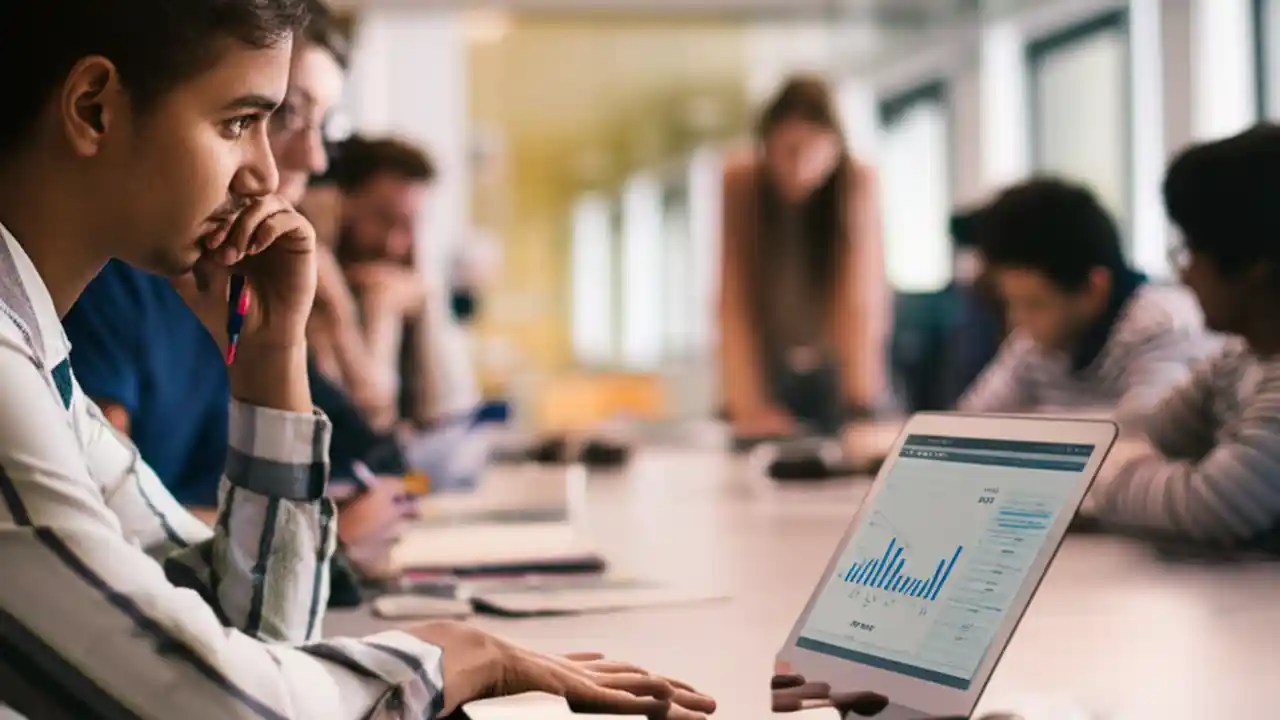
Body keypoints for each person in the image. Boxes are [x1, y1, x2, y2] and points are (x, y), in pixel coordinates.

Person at [0, 2, 715, 718]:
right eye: (239, 123)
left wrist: (271, 357)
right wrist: (453, 656)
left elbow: (254, 635)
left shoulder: (36, 357)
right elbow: (219, 707)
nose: (266, 175)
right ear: (93, 109)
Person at [61, 0, 406, 567]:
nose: (298, 160)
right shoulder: (106, 286)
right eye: (248, 119)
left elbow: (377, 451)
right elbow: (109, 528)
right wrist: (316, 539)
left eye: (323, 126)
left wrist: (306, 332)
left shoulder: (227, 281)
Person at [1085, 125, 1280, 545]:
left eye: (1190, 251)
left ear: (1252, 265)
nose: (1184, 273)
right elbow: (1149, 430)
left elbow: (1212, 504)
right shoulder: (1240, 359)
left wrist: (1086, 483)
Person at [957, 178, 1218, 426]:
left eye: (1034, 304)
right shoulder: (1034, 342)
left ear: (1094, 288)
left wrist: (1029, 426)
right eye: (1010, 303)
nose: (1018, 320)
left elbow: (1145, 436)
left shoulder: (1162, 325)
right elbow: (968, 423)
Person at [719, 76, 890, 440]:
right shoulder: (742, 184)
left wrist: (859, 403)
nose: (799, 167)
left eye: (812, 151)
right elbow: (732, 302)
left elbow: (862, 303)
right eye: (788, 151)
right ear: (766, 146)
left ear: (835, 147)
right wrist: (749, 405)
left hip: (839, 369)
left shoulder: (856, 181)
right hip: (771, 367)